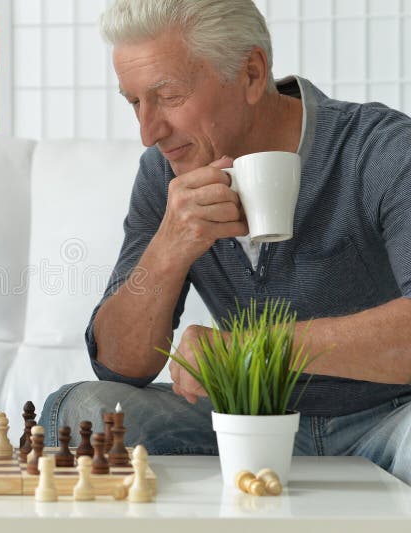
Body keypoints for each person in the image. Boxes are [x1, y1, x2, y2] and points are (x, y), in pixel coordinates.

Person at [41, 0, 411, 484]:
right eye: (134, 102)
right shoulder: (165, 170)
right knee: (82, 410)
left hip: (389, 419)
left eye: (167, 95)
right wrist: (168, 249)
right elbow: (120, 365)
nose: (148, 132)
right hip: (242, 420)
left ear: (252, 74)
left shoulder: (381, 149)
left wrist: (257, 348)